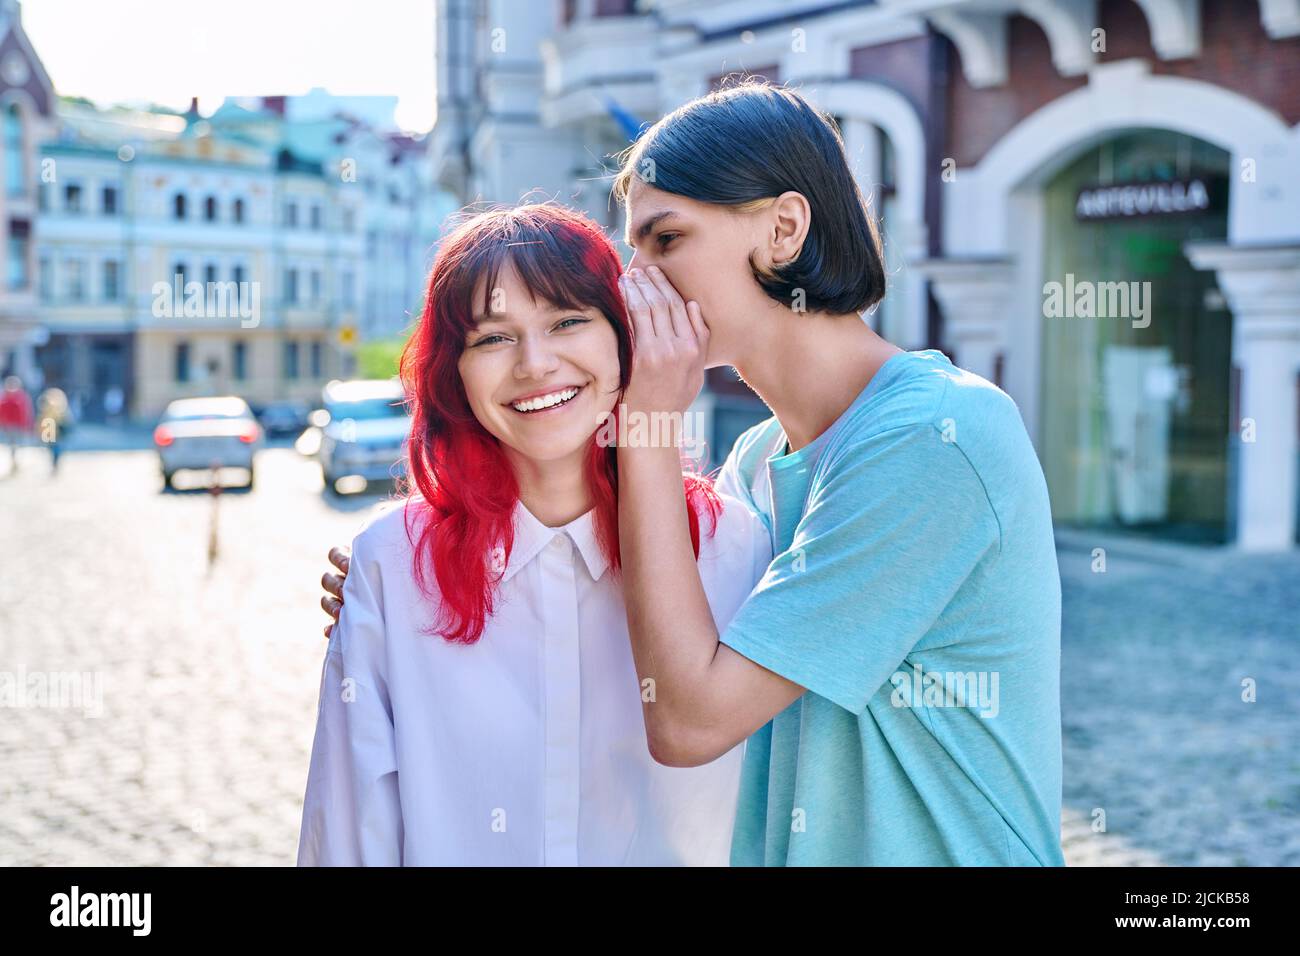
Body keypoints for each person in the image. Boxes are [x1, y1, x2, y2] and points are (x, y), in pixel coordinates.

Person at [323, 81, 1065, 867]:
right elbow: (630, 609)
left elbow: (687, 722)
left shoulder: (935, 437)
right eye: (631, 250)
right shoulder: (752, 470)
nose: (632, 281)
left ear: (783, 229)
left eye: (665, 240)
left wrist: (649, 424)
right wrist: (394, 583)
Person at [298, 204, 772, 866]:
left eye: (568, 321)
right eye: (492, 338)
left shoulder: (733, 548)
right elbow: (348, 836)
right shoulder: (389, 566)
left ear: (624, 337)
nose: (535, 363)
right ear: (453, 374)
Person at [0, 375, 34, 475]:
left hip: (18, 425)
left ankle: (15, 461)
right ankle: (14, 461)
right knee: (13, 444)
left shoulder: (21, 397)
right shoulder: (5, 398)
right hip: (9, 425)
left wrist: (28, 424)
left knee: (17, 444)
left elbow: (26, 412)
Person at [36, 386, 70, 474]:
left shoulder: (55, 409)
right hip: (51, 433)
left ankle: (55, 464)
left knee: (54, 450)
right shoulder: (56, 409)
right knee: (53, 450)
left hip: (54, 433)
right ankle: (54, 464)